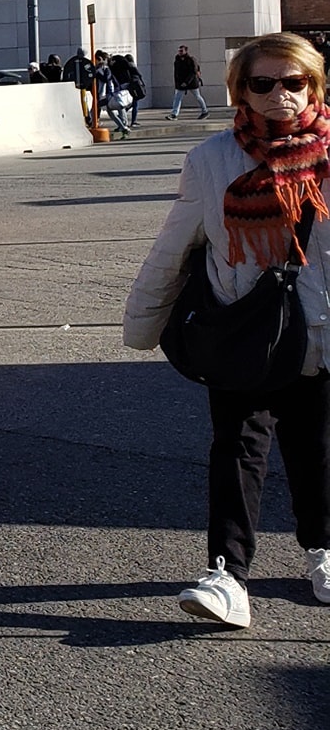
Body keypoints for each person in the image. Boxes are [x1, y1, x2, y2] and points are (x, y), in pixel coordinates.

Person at [123, 31, 330, 628]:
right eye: (263, 83)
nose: (280, 96)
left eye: (294, 83)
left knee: (316, 450)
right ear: (241, 90)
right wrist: (144, 320)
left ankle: (322, 553)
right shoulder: (211, 159)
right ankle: (227, 575)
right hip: (245, 333)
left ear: (313, 85)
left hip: (321, 331)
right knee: (237, 448)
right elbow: (176, 244)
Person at [170, 45, 209, 120]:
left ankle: (205, 111)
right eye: (179, 51)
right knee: (177, 98)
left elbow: (193, 72)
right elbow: (176, 73)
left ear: (186, 51)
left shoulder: (191, 60)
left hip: (191, 82)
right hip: (180, 83)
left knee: (198, 96)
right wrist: (177, 83)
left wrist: (186, 82)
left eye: (181, 51)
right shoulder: (177, 60)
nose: (180, 52)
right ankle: (174, 114)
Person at [112, 53, 147, 128]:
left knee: (129, 103)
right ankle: (133, 121)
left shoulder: (118, 67)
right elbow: (138, 75)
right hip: (132, 86)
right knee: (135, 103)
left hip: (124, 85)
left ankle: (123, 116)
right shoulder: (130, 65)